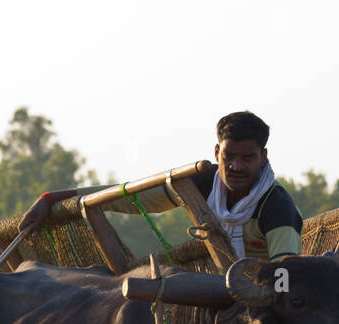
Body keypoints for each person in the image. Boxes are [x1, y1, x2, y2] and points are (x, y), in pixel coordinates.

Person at [19, 111, 302, 262]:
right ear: (217, 153)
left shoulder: (276, 206)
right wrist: (57, 197)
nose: (237, 167)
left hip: (261, 303)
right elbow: (133, 198)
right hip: (215, 288)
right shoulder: (201, 182)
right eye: (229, 157)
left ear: (263, 158)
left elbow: (286, 271)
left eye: (248, 158)